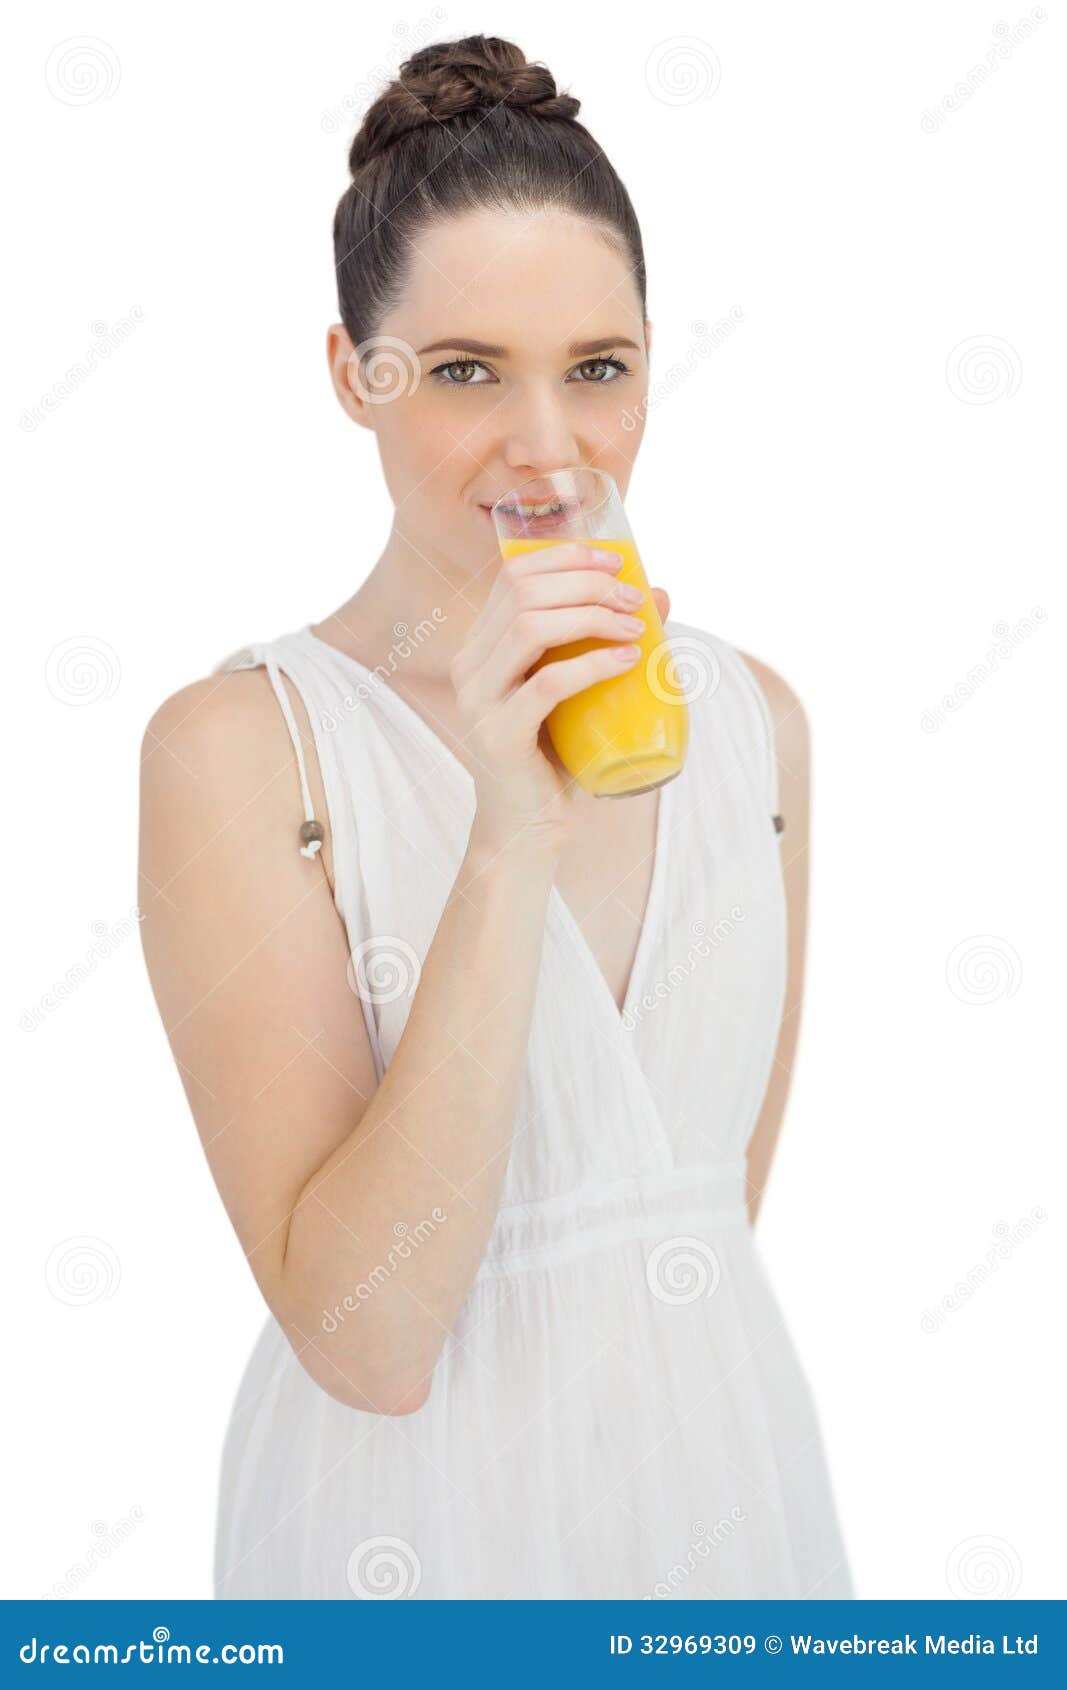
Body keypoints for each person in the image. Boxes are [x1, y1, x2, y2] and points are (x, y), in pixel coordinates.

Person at [138, 32, 853, 1601]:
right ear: (354, 375)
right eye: (465, 371)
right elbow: (369, 1338)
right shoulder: (243, 751)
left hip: (728, 1527)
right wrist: (508, 830)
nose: (547, 449)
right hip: (402, 1558)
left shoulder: (759, 731)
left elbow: (697, 1244)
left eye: (598, 367)